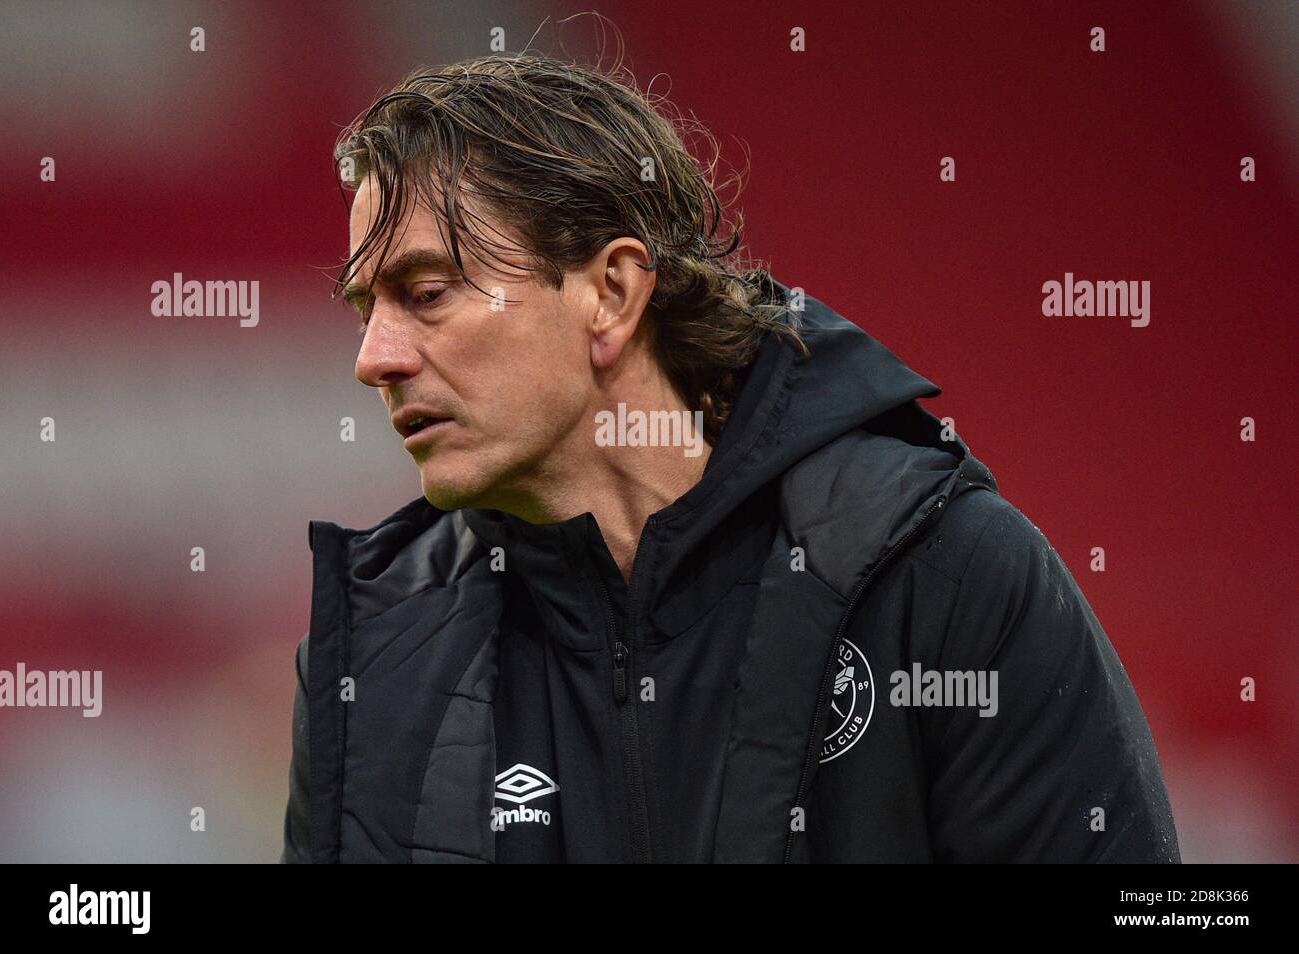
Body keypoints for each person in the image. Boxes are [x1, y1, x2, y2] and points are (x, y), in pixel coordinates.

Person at [279, 51, 1180, 863]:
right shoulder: (372, 667)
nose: (375, 359)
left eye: (425, 293)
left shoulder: (942, 578)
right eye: (366, 312)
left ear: (613, 292)